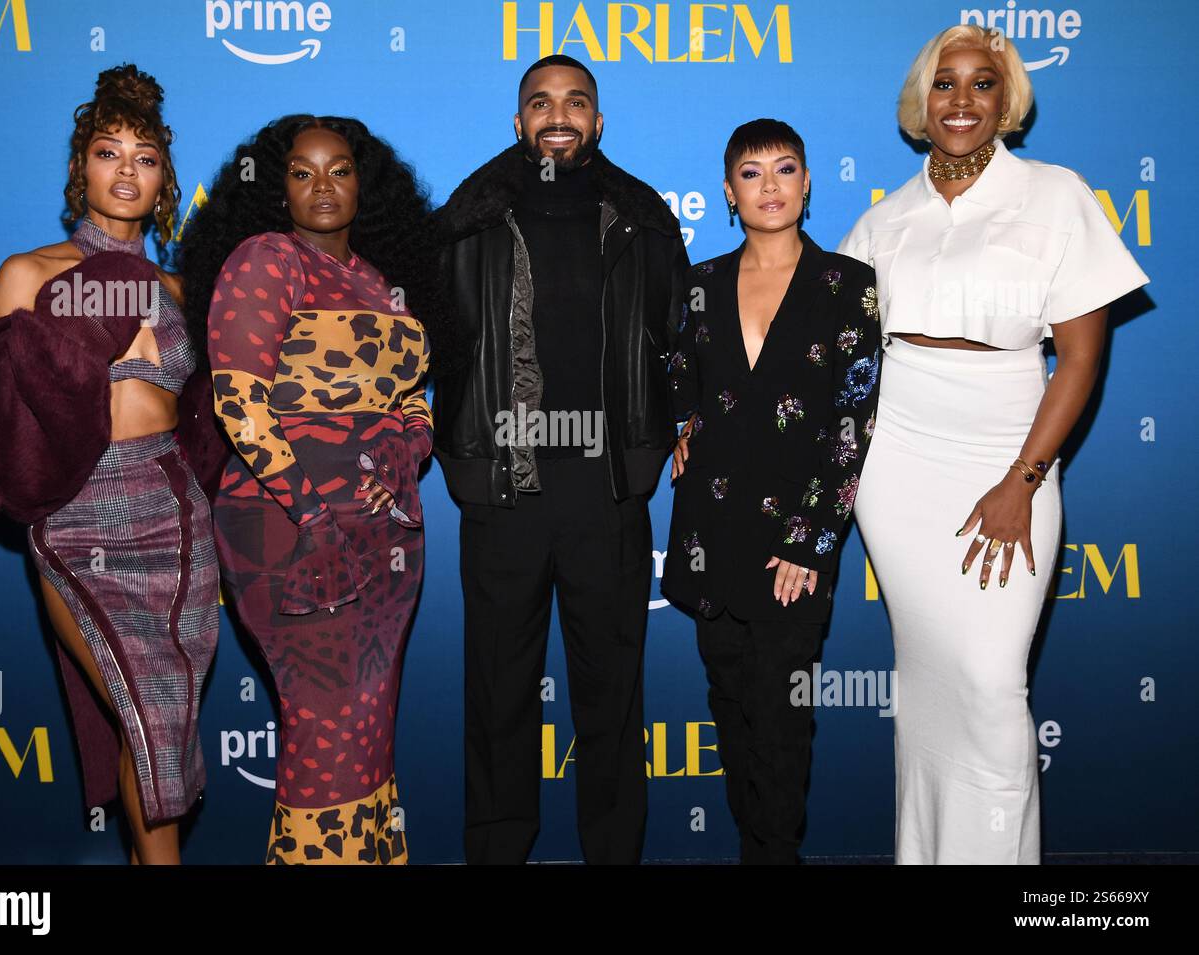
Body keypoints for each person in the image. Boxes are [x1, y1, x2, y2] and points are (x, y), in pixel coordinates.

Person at [838, 25, 1149, 864]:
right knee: (930, 682)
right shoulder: (886, 217)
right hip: (895, 460)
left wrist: (1023, 477)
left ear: (1008, 98)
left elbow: (1081, 356)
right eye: (946, 83)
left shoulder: (1055, 195)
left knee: (989, 683)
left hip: (1009, 449)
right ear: (922, 101)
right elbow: (826, 348)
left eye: (983, 83)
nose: (963, 100)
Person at [0, 64, 224, 864]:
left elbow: (211, 412)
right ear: (80, 168)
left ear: (165, 178)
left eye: (145, 156)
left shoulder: (179, 286)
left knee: (154, 729)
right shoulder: (29, 274)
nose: (126, 169)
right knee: (154, 712)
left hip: (179, 521)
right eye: (108, 151)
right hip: (82, 519)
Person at [432, 53, 690, 864]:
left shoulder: (643, 220)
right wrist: (464, 462)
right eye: (541, 102)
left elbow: (681, 341)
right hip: (503, 497)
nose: (559, 114)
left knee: (612, 702)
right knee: (497, 698)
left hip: (608, 497)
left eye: (576, 102)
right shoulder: (468, 220)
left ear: (598, 121)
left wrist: (660, 442)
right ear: (518, 121)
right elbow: (431, 350)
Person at [179, 114, 454, 864]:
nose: (323, 186)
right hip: (289, 528)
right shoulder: (266, 258)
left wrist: (408, 447)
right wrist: (313, 514)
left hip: (387, 535)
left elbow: (413, 394)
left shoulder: (379, 278)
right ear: (280, 187)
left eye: (339, 169)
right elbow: (240, 401)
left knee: (367, 728)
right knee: (324, 730)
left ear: (366, 182)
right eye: (303, 171)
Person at [662, 119, 881, 864]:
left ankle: (776, 855)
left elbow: (853, 422)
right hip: (711, 531)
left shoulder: (849, 286)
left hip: (796, 541)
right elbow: (677, 385)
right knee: (731, 711)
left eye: (786, 168)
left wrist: (810, 540)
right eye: (751, 174)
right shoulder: (699, 285)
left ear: (808, 181)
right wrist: (678, 427)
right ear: (728, 191)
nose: (770, 186)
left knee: (783, 718)